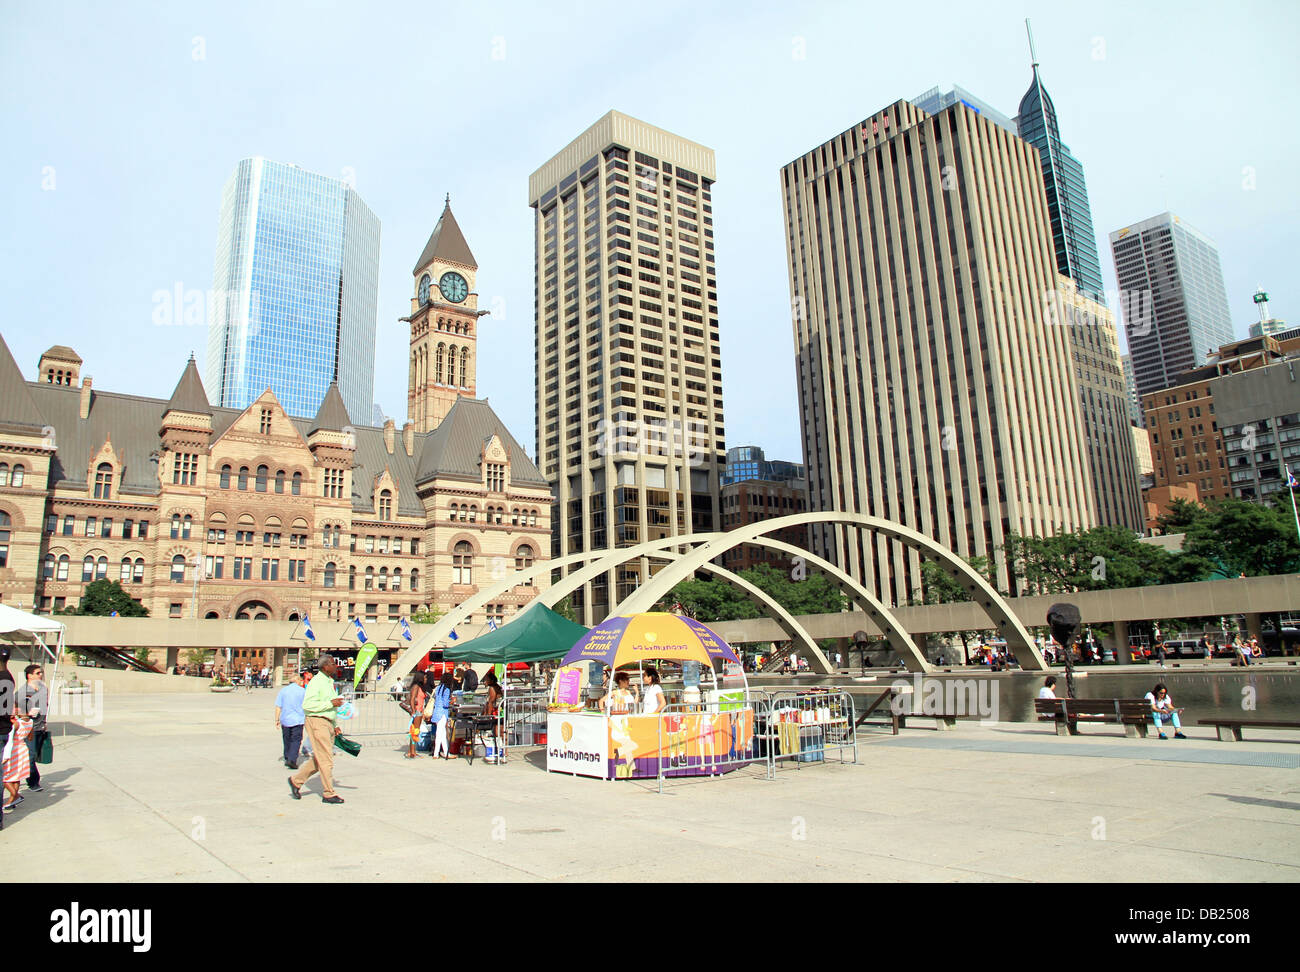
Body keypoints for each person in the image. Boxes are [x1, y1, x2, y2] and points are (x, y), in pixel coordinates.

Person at [288, 655, 346, 804]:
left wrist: (335, 724)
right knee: (326, 759)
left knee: (319, 758)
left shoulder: (329, 682)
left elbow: (331, 706)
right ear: (325, 666)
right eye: (333, 664)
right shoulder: (317, 682)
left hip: (327, 722)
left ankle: (296, 781)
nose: (336, 666)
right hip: (317, 721)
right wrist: (330, 703)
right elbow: (307, 705)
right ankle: (328, 793)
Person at [16, 664, 49, 792]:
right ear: (29, 676)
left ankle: (30, 779)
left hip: (40, 726)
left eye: (41, 673)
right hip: (30, 728)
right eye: (37, 673)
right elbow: (15, 709)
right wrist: (27, 713)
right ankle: (33, 781)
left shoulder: (42, 689)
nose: (40, 675)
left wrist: (44, 722)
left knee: (35, 755)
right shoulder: (23, 692)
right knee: (30, 756)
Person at [274, 669, 309, 769]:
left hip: (285, 719)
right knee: (296, 740)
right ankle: (292, 759)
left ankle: (287, 756)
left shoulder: (283, 691)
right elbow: (307, 705)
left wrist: (276, 719)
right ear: (297, 680)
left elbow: (278, 706)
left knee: (287, 739)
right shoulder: (303, 691)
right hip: (298, 719)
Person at [2, 709, 32, 813]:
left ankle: (16, 796)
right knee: (16, 776)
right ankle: (12, 800)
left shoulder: (16, 724)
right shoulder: (30, 722)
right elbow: (30, 737)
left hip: (13, 749)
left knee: (4, 776)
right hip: (23, 748)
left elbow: (9, 737)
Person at [481, 670, 505, 763]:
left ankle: (498, 752)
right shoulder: (497, 687)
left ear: (490, 680)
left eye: (486, 679)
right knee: (501, 732)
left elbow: (491, 701)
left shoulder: (492, 688)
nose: (485, 681)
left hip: (496, 712)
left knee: (497, 732)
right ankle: (502, 752)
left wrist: (488, 714)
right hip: (501, 711)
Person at [430, 672, 455, 759]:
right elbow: (445, 704)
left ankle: (446, 751)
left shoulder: (438, 688)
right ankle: (436, 754)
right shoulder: (447, 690)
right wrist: (451, 702)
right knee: (440, 733)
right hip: (442, 713)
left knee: (442, 733)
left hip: (436, 712)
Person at [405, 672, 429, 759]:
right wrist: (413, 711)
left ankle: (412, 751)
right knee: (415, 732)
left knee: (415, 732)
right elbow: (412, 699)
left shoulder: (419, 687)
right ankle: (412, 751)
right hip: (417, 711)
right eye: (425, 678)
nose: (426, 679)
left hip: (419, 711)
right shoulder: (416, 687)